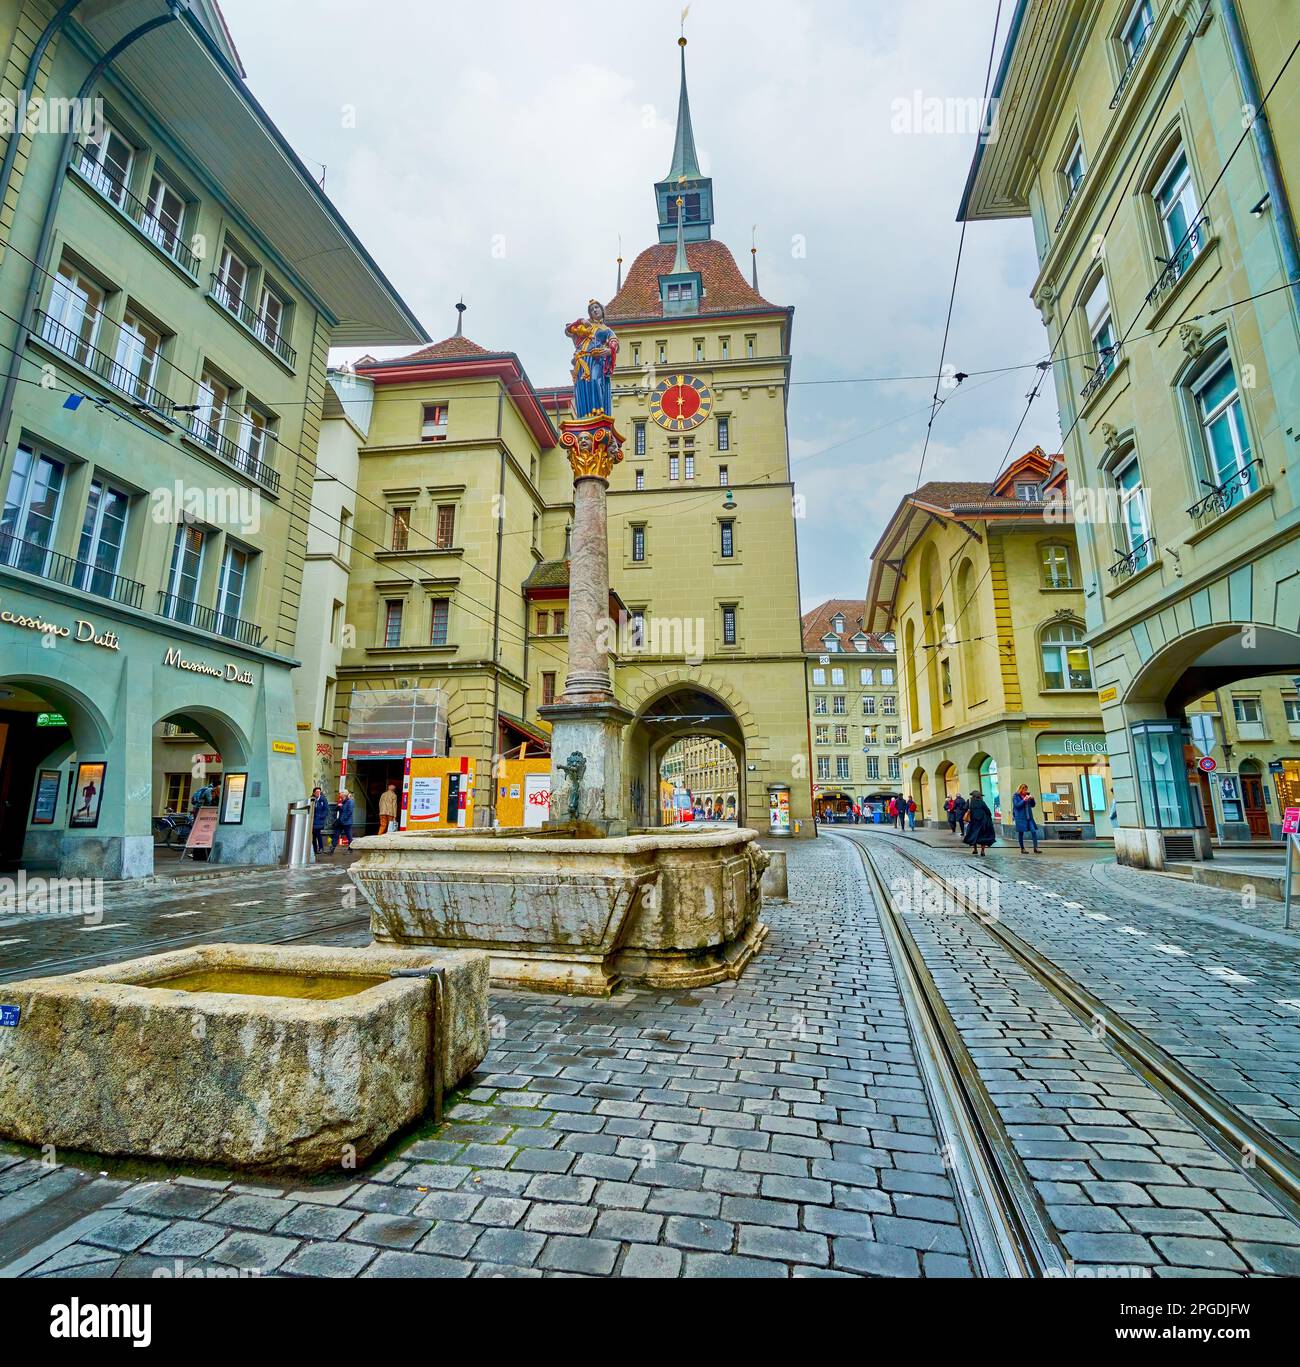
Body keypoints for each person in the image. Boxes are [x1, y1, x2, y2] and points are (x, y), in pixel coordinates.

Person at [964, 789, 996, 856]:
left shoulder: (969, 802)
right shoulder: (982, 802)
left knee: (973, 835)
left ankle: (975, 849)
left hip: (973, 822)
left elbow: (964, 808)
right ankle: (982, 851)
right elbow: (988, 811)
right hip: (983, 822)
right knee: (983, 836)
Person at [1013, 783, 1040, 854]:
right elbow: (1017, 806)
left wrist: (1032, 799)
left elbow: (1033, 805)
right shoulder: (1016, 796)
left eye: (1026, 790)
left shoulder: (1027, 795)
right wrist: (1024, 800)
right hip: (1020, 818)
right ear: (1021, 790)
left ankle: (1036, 848)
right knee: (1021, 833)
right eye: (1024, 790)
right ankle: (1022, 848)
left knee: (1033, 831)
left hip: (1029, 817)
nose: (1026, 791)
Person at [310, 786, 330, 856]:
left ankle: (321, 848)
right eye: (317, 792)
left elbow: (326, 809)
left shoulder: (323, 799)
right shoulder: (312, 799)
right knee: (314, 835)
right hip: (313, 820)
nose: (318, 793)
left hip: (319, 821)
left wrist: (321, 817)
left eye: (319, 792)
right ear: (314, 793)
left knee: (318, 834)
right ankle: (315, 849)